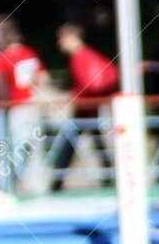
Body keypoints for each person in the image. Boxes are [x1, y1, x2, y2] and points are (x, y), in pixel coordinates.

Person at [50, 22, 118, 192]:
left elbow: (88, 82)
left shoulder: (80, 56)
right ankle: (108, 176)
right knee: (93, 142)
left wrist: (76, 95)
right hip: (89, 107)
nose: (60, 43)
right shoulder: (88, 55)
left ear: (72, 38)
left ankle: (57, 181)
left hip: (85, 108)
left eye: (62, 39)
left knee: (70, 142)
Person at [0, 17, 47, 196]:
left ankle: (11, 185)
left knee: (18, 147)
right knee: (34, 148)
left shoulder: (3, 58)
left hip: (19, 108)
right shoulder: (29, 53)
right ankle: (38, 186)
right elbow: (43, 78)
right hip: (33, 105)